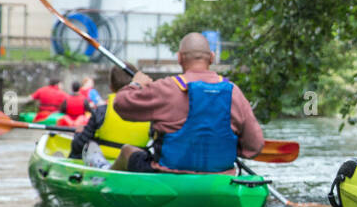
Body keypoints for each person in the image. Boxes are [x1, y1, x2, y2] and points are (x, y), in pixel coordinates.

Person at [109, 32, 264, 173]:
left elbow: (120, 103)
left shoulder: (165, 88)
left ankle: (105, 182)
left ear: (179, 58)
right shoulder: (234, 92)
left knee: (127, 151)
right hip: (220, 175)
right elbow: (255, 146)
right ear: (211, 57)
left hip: (169, 174)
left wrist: (137, 83)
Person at [69, 66, 152, 167]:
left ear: (111, 87)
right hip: (133, 165)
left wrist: (78, 134)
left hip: (103, 162)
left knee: (78, 148)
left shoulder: (101, 111)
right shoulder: (151, 114)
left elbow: (78, 146)